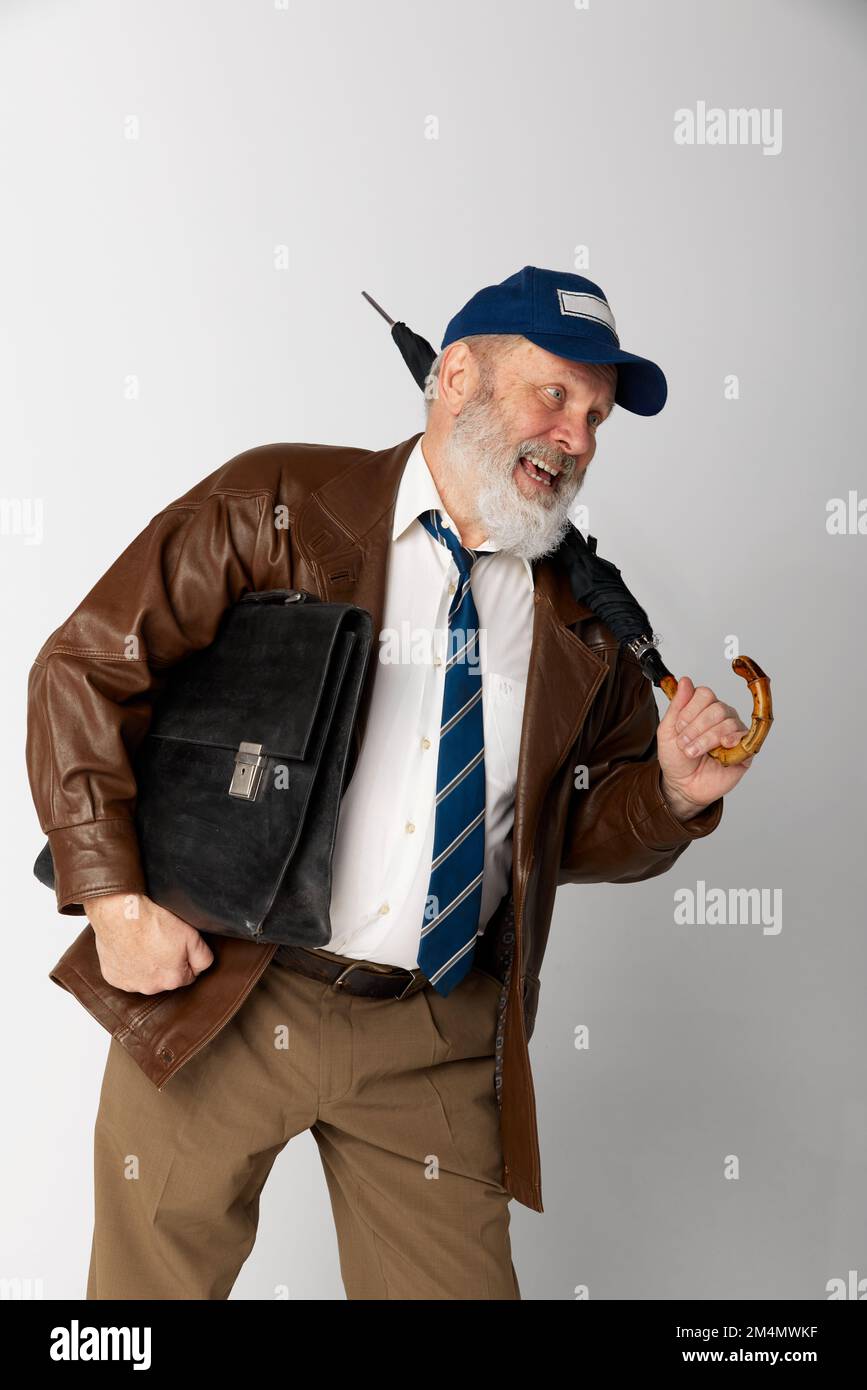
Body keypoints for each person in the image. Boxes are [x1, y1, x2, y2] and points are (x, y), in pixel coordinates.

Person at [26, 266, 751, 1300]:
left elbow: (571, 828)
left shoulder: (582, 621)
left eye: (596, 417)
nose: (579, 437)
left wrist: (673, 793)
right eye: (556, 395)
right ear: (457, 376)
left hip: (434, 1036)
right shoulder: (281, 503)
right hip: (227, 990)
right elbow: (86, 666)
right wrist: (111, 897)